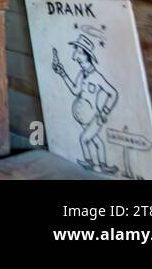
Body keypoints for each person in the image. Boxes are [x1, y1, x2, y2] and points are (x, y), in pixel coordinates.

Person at [51, 35, 120, 175]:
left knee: (84, 139)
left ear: (85, 55)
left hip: (95, 117)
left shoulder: (97, 77)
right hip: (84, 117)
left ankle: (92, 165)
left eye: (78, 52)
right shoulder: (82, 74)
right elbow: (75, 90)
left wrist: (104, 112)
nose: (75, 56)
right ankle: (101, 166)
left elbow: (112, 93)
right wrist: (63, 73)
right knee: (96, 141)